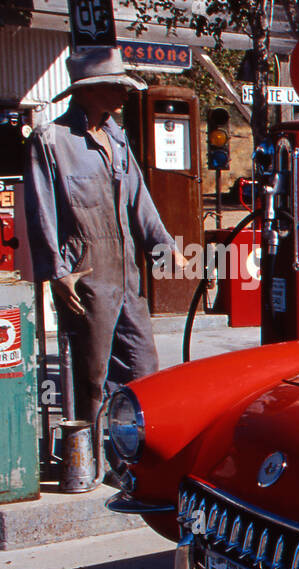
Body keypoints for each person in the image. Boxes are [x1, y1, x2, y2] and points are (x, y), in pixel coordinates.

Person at [23, 46, 180, 425]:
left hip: (126, 269)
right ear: (89, 90)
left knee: (144, 366)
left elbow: (139, 198)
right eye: (116, 86)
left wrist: (165, 246)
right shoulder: (51, 140)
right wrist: (57, 271)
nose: (124, 93)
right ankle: (87, 458)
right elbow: (40, 210)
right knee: (91, 376)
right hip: (85, 272)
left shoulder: (118, 137)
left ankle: (129, 452)